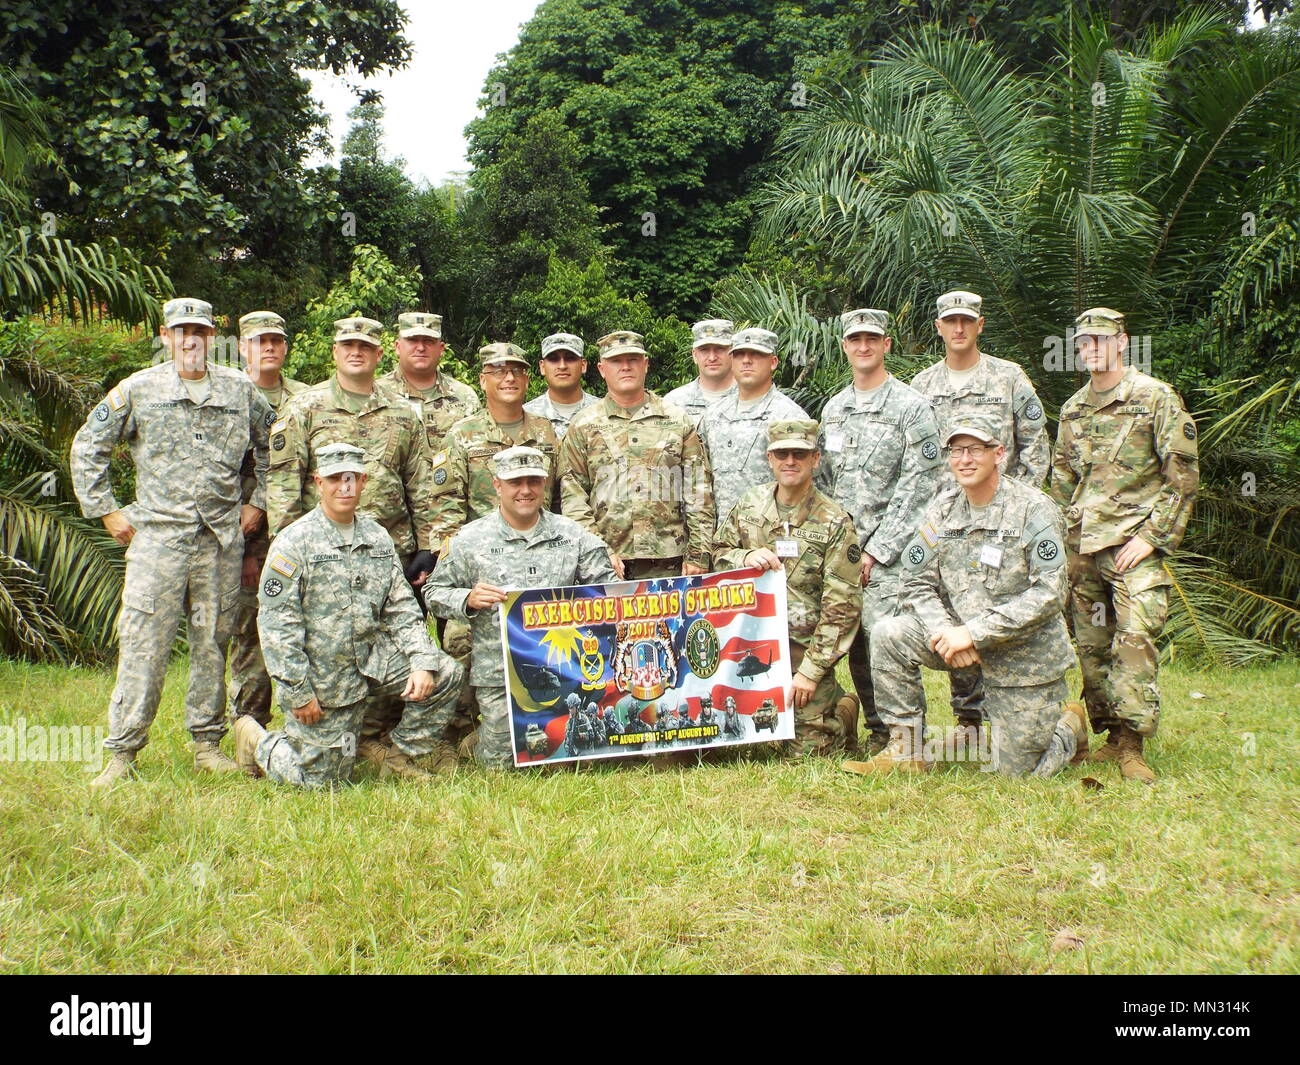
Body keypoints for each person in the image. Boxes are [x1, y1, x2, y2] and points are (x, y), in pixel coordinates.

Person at [71, 297, 272, 788]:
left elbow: (275, 445)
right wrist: (105, 509)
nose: (191, 340)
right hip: (158, 540)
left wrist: (259, 501)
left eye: (200, 332)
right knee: (145, 644)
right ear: (165, 336)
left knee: (212, 644)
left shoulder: (239, 390)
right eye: (181, 331)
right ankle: (122, 753)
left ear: (211, 336)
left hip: (219, 542)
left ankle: (207, 745)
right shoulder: (140, 389)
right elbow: (87, 446)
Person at [844, 415, 1086, 776]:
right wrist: (946, 632)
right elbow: (916, 580)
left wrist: (975, 633)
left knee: (1017, 773)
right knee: (889, 633)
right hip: (956, 637)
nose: (965, 459)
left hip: (1023, 650)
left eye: (975, 449)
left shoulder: (1032, 508)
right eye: (957, 450)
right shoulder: (944, 508)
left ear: (999, 453)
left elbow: (1050, 593)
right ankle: (907, 749)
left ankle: (1069, 725)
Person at [233, 443, 463, 786]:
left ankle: (399, 753)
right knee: (318, 782)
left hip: (372, 660)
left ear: (363, 481)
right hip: (324, 678)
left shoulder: (376, 537)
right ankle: (257, 738)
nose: (345, 486)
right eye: (335, 478)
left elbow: (400, 607)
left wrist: (420, 660)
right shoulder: (294, 542)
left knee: (444, 672)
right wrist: (298, 691)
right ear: (318, 482)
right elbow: (278, 626)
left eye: (352, 478)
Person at [265, 315, 439, 764]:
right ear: (335, 351)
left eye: (366, 346)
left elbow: (420, 482)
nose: (356, 352)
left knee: (390, 641)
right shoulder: (305, 407)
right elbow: (284, 481)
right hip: (319, 556)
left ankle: (375, 738)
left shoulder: (403, 410)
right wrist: (283, 546)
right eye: (348, 345)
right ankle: (318, 731)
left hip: (389, 551)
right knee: (330, 649)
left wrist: (428, 546)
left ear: (380, 354)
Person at [1049, 307, 1198, 781]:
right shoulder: (1074, 408)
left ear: (1121, 343)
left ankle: (1133, 744)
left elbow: (1183, 476)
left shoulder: (1154, 399)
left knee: (1134, 637)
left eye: (1100, 340)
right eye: (1083, 342)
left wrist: (1153, 538)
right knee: (1091, 645)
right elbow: (1063, 480)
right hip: (1084, 546)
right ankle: (1110, 736)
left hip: (1133, 542)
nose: (1091, 349)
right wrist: (1061, 538)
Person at [910, 289, 1052, 741]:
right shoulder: (921, 387)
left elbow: (1035, 442)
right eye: (950, 321)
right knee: (953, 608)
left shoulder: (1009, 378)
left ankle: (1021, 708)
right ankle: (968, 720)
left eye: (966, 321)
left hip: (1004, 521)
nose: (958, 329)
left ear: (979, 325)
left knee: (996, 607)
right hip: (946, 520)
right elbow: (915, 458)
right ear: (938, 327)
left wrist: (1020, 506)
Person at [426, 446, 618, 767]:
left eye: (534, 481)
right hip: (501, 673)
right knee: (501, 766)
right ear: (498, 485)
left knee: (577, 758)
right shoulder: (469, 540)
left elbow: (611, 592)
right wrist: (467, 598)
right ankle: (480, 738)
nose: (525, 491)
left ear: (545, 485)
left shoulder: (573, 536)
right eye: (515, 483)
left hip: (566, 670)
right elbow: (433, 592)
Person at [816, 309, 942, 754]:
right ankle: (877, 730)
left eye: (873, 338)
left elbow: (922, 485)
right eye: (855, 339)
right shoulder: (834, 409)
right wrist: (838, 548)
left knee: (884, 639)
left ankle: (907, 735)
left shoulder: (911, 407)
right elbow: (824, 483)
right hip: (842, 552)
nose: (863, 346)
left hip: (889, 554)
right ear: (845, 346)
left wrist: (876, 550)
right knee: (853, 644)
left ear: (887, 345)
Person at [714, 420, 863, 755]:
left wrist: (810, 673)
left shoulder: (834, 522)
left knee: (804, 754)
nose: (790, 461)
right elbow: (717, 555)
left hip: (802, 652)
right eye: (783, 453)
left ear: (816, 459)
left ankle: (840, 709)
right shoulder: (750, 505)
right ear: (770, 458)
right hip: (748, 644)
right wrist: (745, 556)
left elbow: (843, 607)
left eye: (800, 453)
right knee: (732, 746)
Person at [559, 331, 715, 579]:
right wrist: (597, 551)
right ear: (601, 369)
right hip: (607, 563)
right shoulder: (583, 425)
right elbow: (573, 498)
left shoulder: (676, 419)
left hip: (670, 563)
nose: (625, 367)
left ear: (645, 364)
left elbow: (698, 491)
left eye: (632, 359)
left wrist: (698, 553)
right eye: (616, 361)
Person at [228, 310, 309, 727]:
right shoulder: (228, 393)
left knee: (306, 624)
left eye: (277, 341)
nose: (270, 348)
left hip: (298, 532)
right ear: (243, 348)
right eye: (260, 342)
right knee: (252, 629)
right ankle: (249, 725)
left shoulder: (305, 397)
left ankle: (307, 723)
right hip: (246, 537)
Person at [430, 342, 560, 543]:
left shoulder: (546, 431)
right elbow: (447, 507)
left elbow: (562, 495)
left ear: (526, 380)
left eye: (517, 371)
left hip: (542, 547)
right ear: (483, 380)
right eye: (499, 371)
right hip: (484, 552)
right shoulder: (460, 435)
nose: (509, 378)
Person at [698, 327, 808, 528]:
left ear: (773, 362)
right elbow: (701, 480)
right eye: (739, 354)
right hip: (721, 543)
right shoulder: (714, 414)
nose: (746, 361)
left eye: (756, 354)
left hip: (769, 540)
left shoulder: (788, 416)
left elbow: (807, 487)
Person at [379, 311, 480, 450]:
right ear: (397, 347)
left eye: (428, 341)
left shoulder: (465, 397)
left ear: (441, 349)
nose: (420, 348)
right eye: (413, 340)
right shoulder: (376, 394)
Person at [524, 332, 600, 438]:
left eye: (570, 358)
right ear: (542, 367)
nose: (562, 366)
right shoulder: (525, 417)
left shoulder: (604, 412)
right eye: (553, 359)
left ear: (583, 365)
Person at [663, 319, 737, 425]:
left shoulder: (751, 397)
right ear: (694, 355)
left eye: (720, 349)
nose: (712, 357)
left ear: (732, 352)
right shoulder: (673, 402)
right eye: (704, 350)